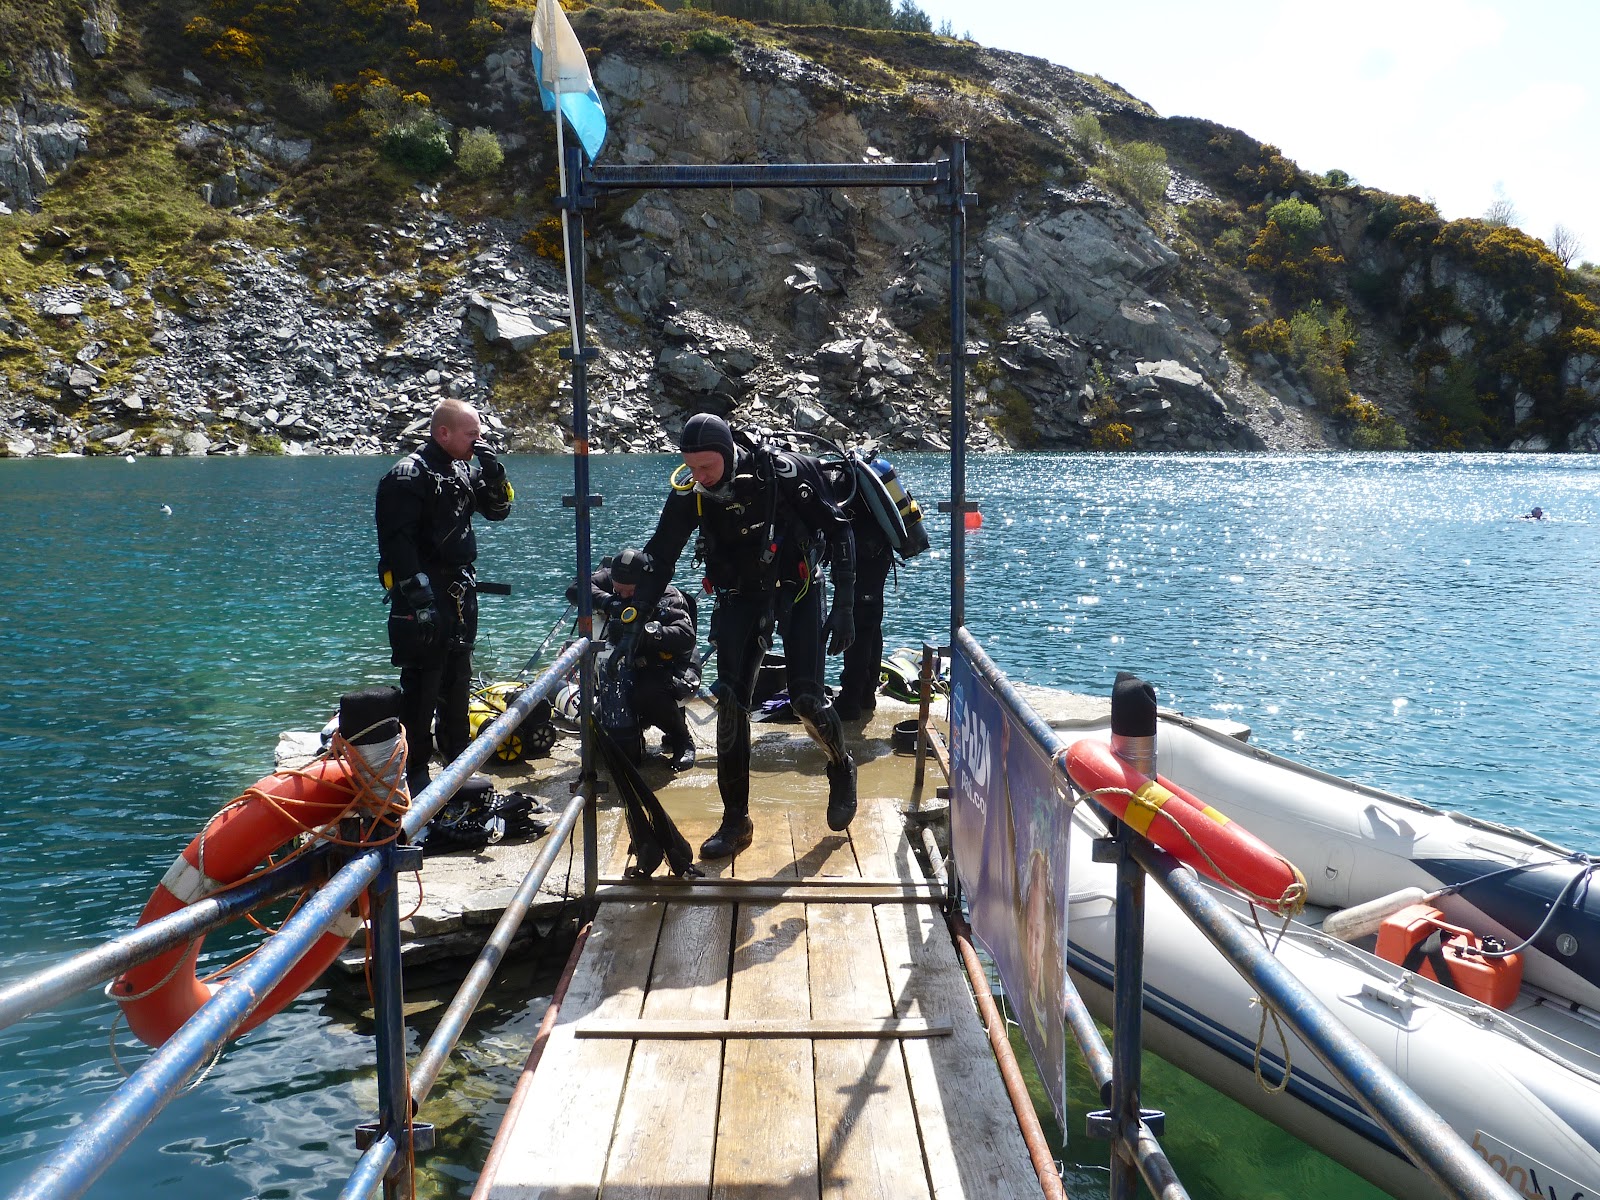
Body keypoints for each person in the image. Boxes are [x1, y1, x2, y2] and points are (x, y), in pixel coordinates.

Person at [639, 413, 858, 859]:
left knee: (806, 701)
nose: (699, 477)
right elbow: (660, 555)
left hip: (796, 586)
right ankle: (736, 821)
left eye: (707, 468)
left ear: (727, 454)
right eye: (692, 468)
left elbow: (839, 530)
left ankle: (841, 764)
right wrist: (634, 611)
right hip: (740, 595)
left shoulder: (780, 475)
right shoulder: (690, 493)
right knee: (732, 703)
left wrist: (845, 606)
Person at [375, 399, 513, 795]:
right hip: (423, 594)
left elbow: (498, 511)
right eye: (472, 434)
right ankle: (416, 772)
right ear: (444, 433)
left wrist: (493, 472)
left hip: (460, 590)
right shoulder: (407, 475)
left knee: (458, 679)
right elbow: (396, 546)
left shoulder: (460, 470)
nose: (479, 440)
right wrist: (419, 600)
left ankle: (458, 765)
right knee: (423, 682)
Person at [569, 547, 699, 772]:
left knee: (646, 694)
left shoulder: (667, 596)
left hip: (674, 667)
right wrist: (610, 602)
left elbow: (686, 637)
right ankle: (642, 734)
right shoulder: (612, 583)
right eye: (618, 590)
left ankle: (682, 740)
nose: (624, 596)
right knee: (602, 721)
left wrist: (647, 633)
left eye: (630, 593)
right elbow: (576, 588)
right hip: (635, 664)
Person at [834, 491, 892, 722]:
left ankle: (850, 700)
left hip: (863, 557)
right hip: (879, 555)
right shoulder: (862, 489)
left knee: (858, 626)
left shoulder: (844, 485)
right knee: (871, 625)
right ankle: (867, 695)